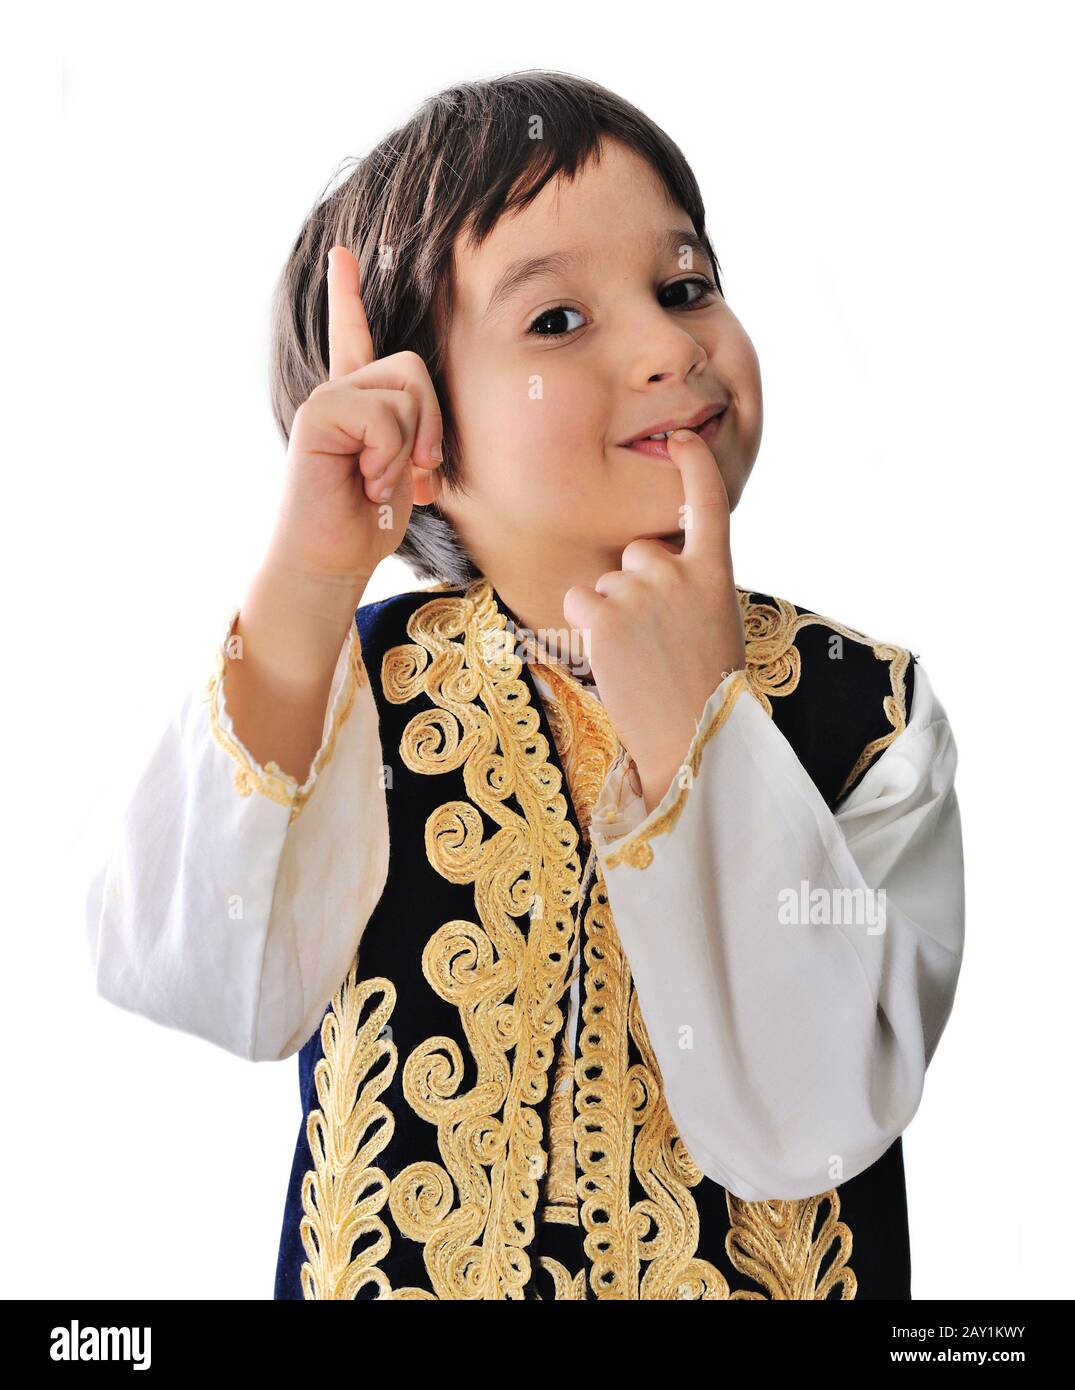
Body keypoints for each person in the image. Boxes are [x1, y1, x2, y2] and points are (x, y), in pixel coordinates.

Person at [85, 71, 965, 1301]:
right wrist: (305, 579)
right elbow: (191, 973)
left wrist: (703, 729)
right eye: (557, 322)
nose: (669, 346)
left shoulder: (866, 716)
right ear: (419, 424)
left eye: (685, 287)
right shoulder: (355, 686)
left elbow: (816, 1111)